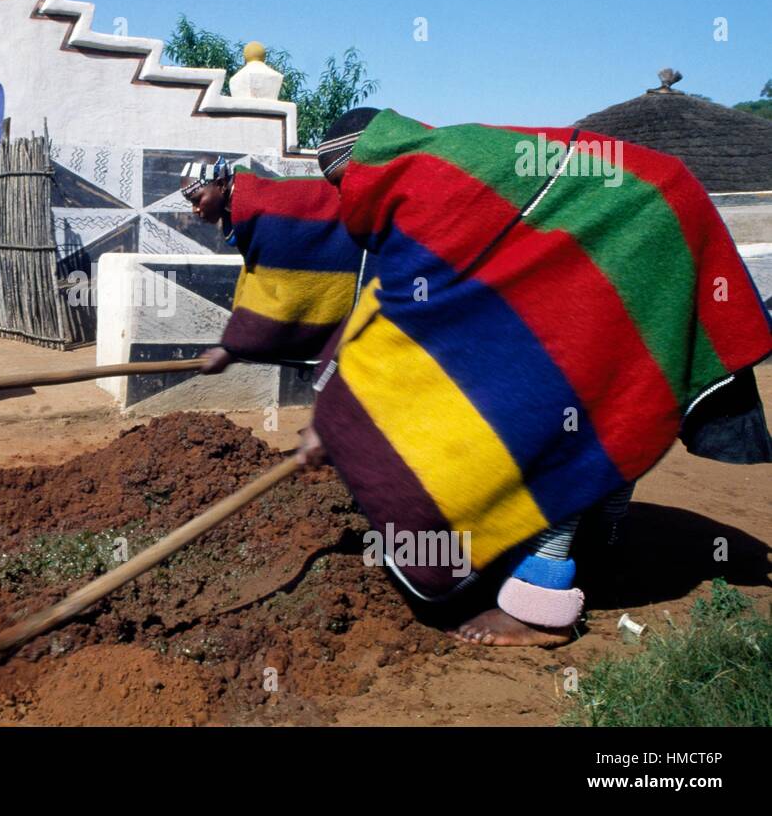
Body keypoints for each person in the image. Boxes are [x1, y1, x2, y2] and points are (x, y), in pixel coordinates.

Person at [295, 107, 772, 646]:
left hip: (634, 232)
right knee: (613, 392)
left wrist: (333, 416)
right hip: (652, 212)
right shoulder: (442, 158)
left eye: (341, 183)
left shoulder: (420, 182)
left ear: (355, 164)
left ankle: (541, 605)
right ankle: (604, 533)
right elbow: (395, 298)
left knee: (546, 413)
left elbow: (398, 317)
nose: (344, 198)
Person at [180, 156, 365, 374]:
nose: (195, 210)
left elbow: (285, 287)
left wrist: (232, 348)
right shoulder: (245, 214)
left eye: (197, 199)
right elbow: (255, 274)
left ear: (220, 185)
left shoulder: (264, 210)